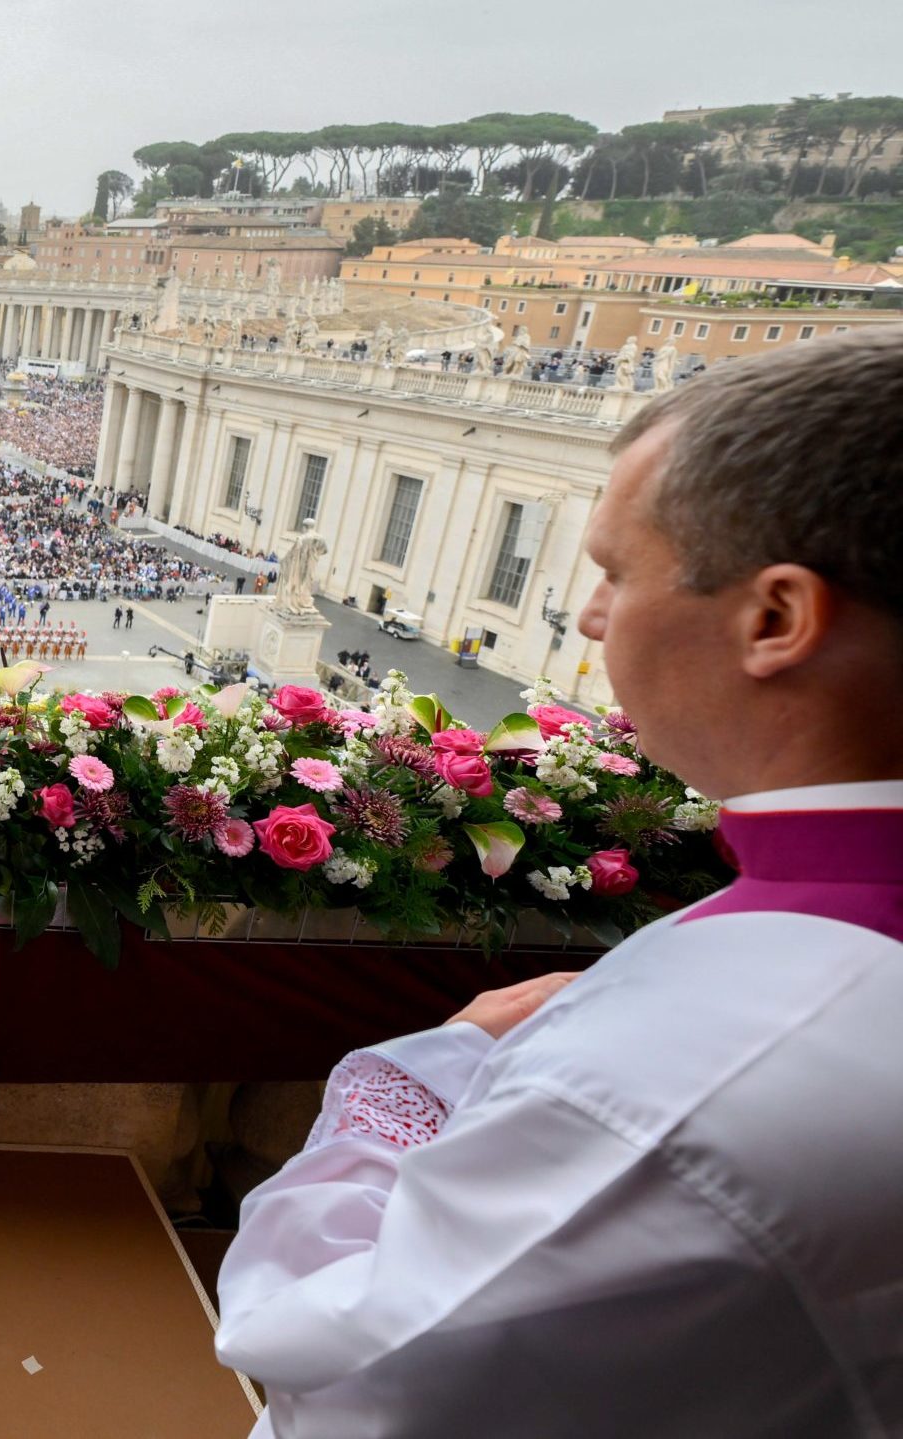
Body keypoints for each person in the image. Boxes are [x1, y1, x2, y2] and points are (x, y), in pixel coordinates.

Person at [214, 328, 903, 1434]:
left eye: (616, 572)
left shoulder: (685, 1074)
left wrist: (429, 1075)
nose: (587, 616)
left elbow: (323, 1352)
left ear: (774, 619)